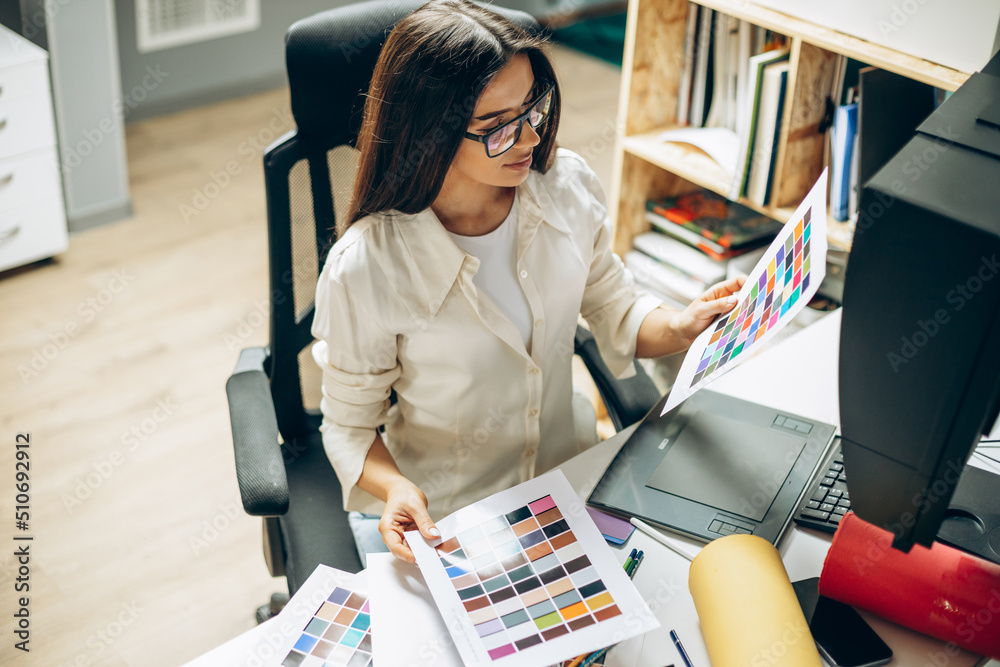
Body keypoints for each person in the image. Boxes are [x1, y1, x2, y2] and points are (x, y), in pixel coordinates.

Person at [311, 0, 744, 566]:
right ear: (430, 133)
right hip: (455, 522)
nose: (529, 140)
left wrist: (682, 325)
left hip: (574, 488)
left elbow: (615, 308)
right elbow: (347, 428)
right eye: (496, 128)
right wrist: (394, 488)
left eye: (533, 110)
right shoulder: (367, 267)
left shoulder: (564, 188)